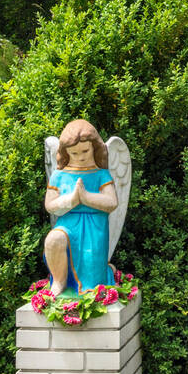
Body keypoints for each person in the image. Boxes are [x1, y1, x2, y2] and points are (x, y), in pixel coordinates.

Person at [43, 119, 118, 295]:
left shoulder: (101, 174)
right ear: (66, 152)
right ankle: (60, 282)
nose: (81, 156)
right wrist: (72, 200)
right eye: (74, 153)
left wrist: (86, 197)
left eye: (85, 150)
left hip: (94, 228)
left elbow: (112, 203)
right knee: (53, 240)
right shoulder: (59, 176)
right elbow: (50, 205)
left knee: (91, 269)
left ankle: (103, 273)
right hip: (67, 225)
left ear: (94, 147)